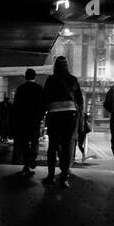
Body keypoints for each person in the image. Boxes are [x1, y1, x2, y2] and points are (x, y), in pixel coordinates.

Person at [41, 56, 84, 188]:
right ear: (67, 66)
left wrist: (44, 113)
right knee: (67, 145)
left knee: (53, 146)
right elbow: (80, 101)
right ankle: (64, 178)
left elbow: (44, 98)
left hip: (54, 115)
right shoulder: (73, 79)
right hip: (70, 115)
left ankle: (50, 176)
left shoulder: (51, 79)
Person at [12, 71, 45, 176]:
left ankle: (27, 163)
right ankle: (32, 159)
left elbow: (16, 106)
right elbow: (42, 105)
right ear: (35, 77)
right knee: (35, 141)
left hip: (23, 120)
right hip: (34, 120)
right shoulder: (39, 88)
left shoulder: (21, 88)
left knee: (25, 141)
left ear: (25, 76)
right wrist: (40, 117)